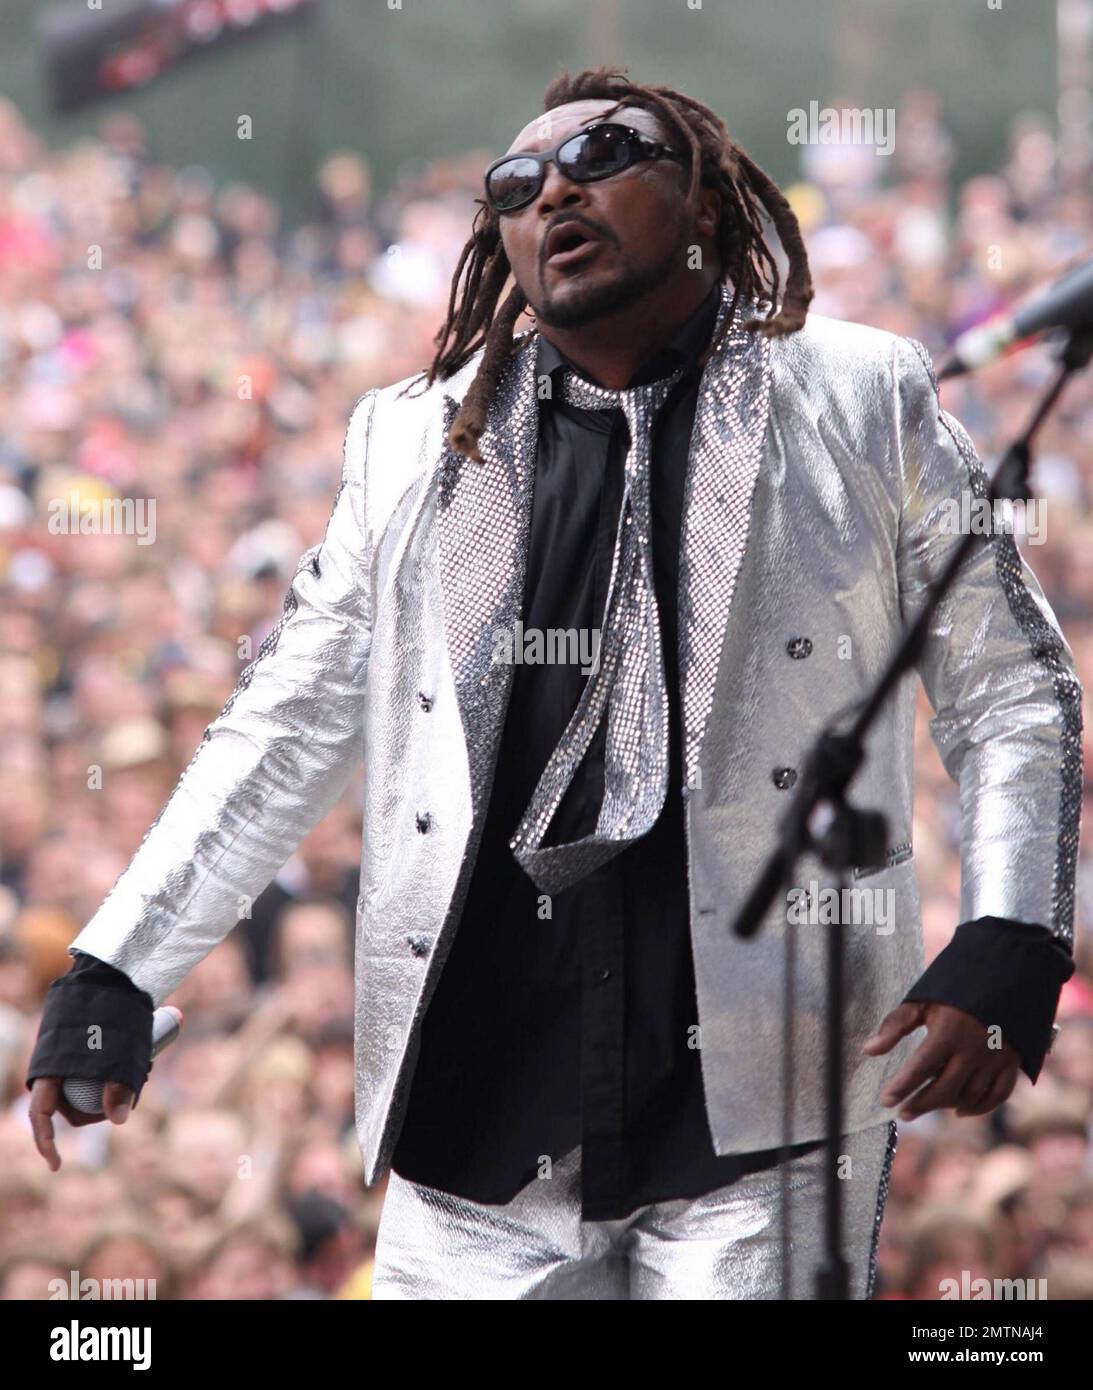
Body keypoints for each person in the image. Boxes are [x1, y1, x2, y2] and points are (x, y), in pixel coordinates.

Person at [26, 67, 1081, 1300]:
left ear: (699, 199)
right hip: (481, 1096)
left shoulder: (858, 398)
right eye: (516, 185)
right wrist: (115, 964)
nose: (554, 191)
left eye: (604, 156)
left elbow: (1010, 685)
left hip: (762, 1090)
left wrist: (1011, 931)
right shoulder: (413, 439)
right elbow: (286, 718)